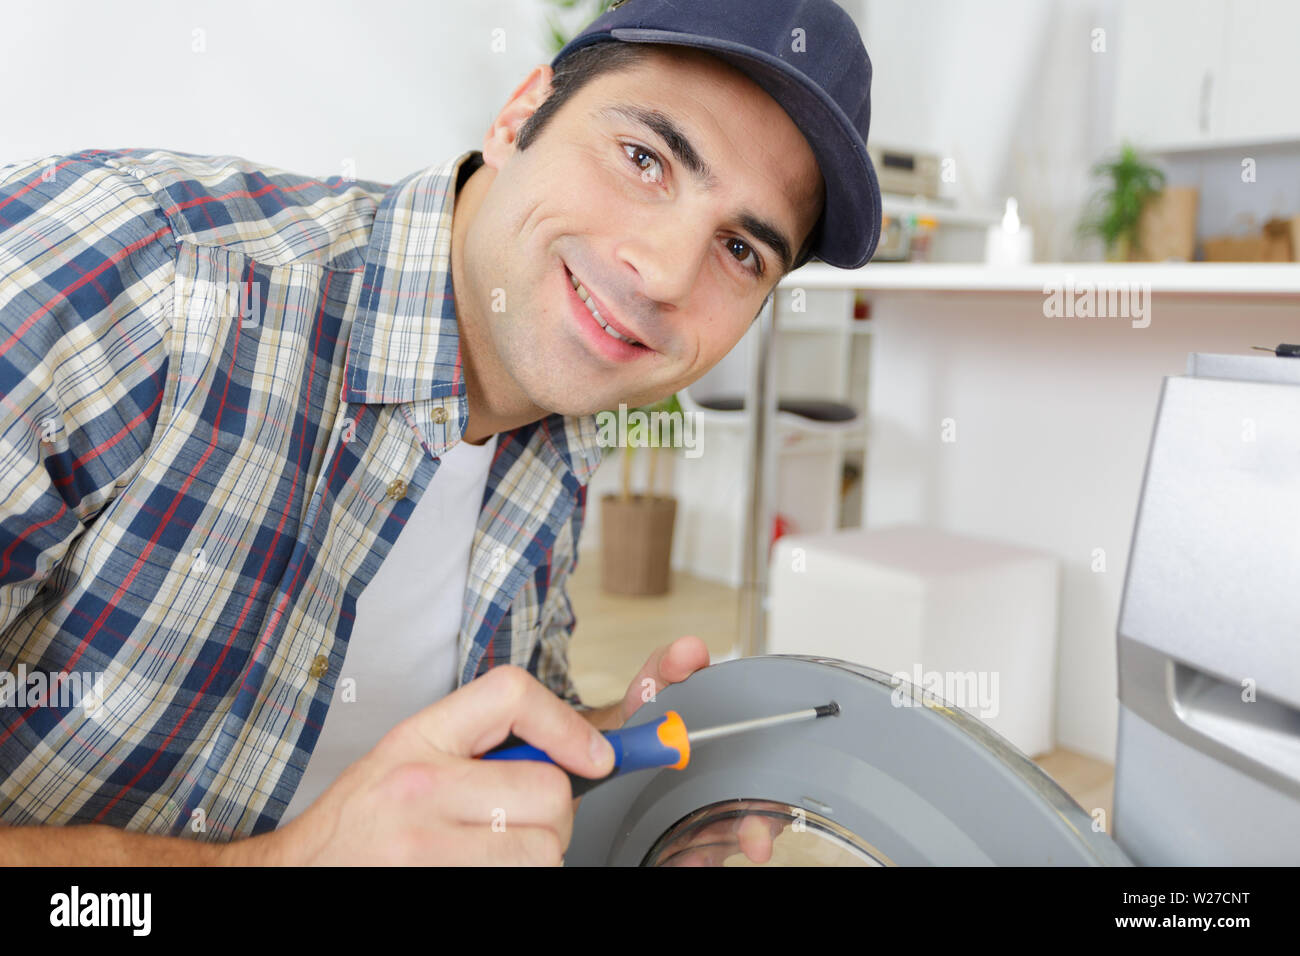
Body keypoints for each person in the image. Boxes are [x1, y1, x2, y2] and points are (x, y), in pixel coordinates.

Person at [0, 0, 881, 865]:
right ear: (518, 117)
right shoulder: (132, 279)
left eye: (740, 252)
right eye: (644, 158)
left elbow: (420, 781)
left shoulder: (556, 426)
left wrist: (608, 762)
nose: (661, 273)